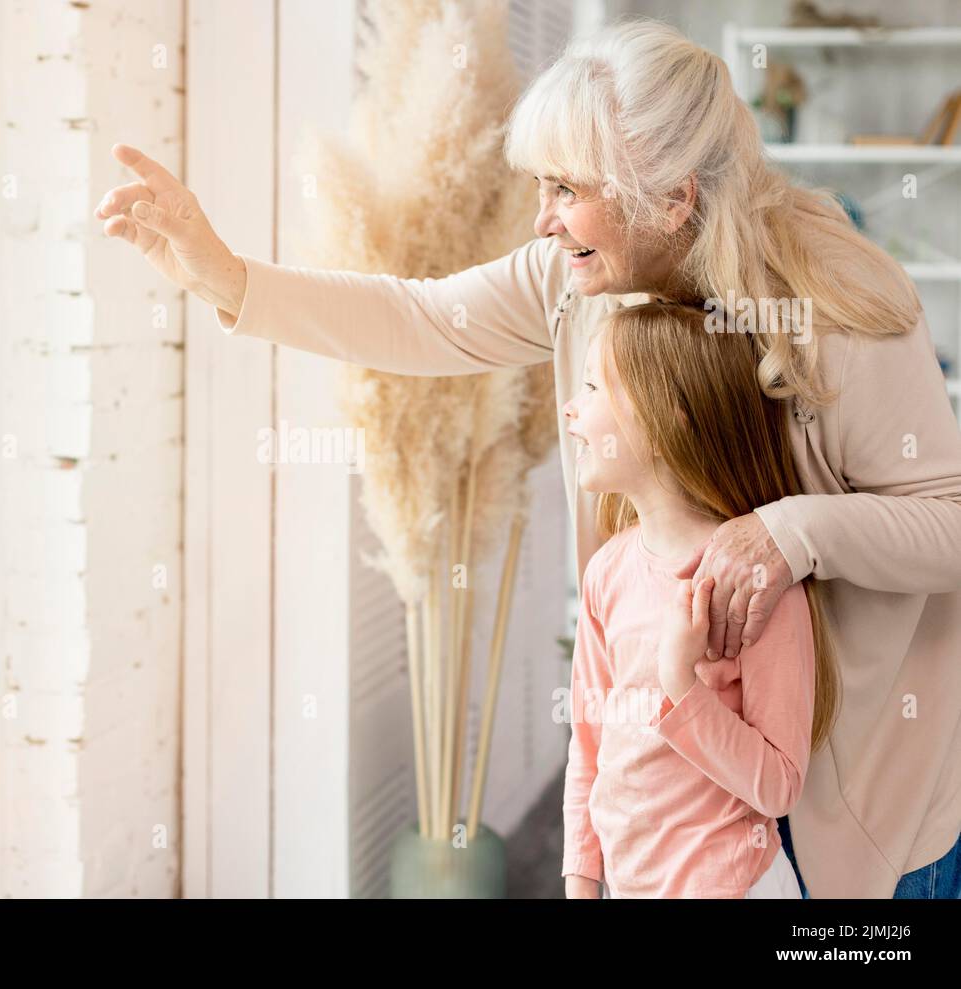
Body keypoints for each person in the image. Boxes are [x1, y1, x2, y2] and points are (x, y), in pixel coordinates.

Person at [97, 19, 961, 898]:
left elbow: (951, 526)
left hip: (855, 808)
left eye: (566, 189)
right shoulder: (578, 276)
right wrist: (227, 278)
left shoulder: (837, 303)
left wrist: (792, 532)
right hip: (683, 830)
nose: (544, 218)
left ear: (671, 198)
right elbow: (423, 317)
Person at [561, 303, 828, 898]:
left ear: (666, 421)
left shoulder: (756, 586)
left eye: (591, 387)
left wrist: (680, 685)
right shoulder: (607, 571)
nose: (570, 406)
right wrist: (582, 882)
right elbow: (590, 744)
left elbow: (779, 784)